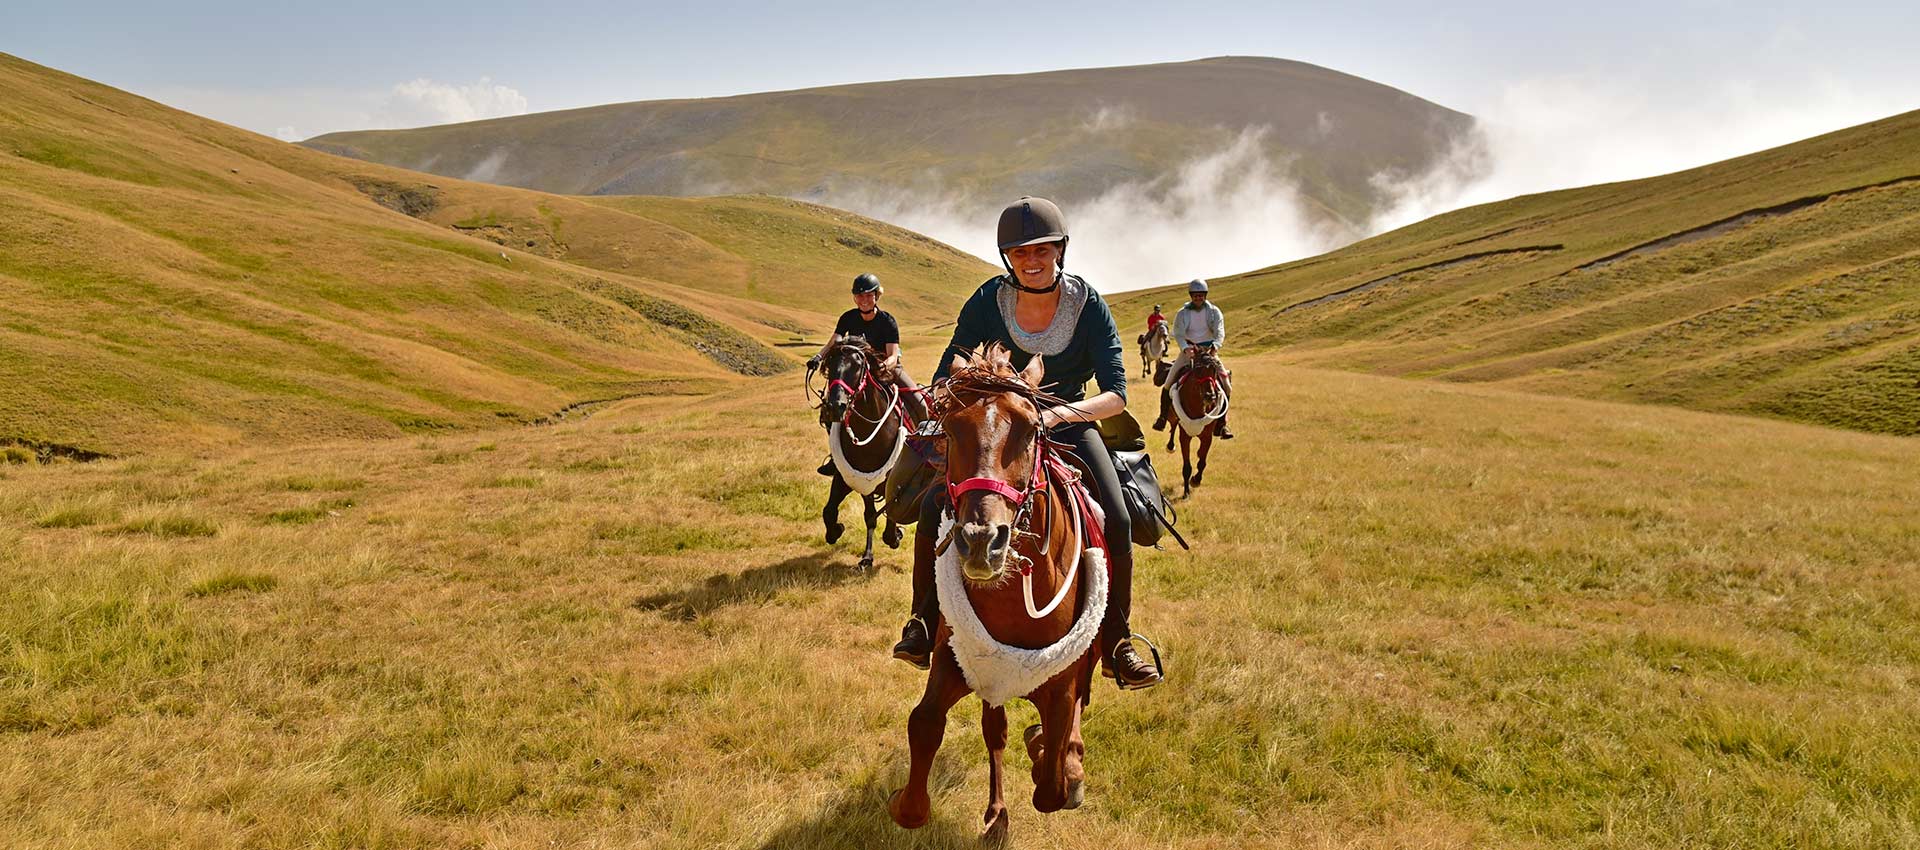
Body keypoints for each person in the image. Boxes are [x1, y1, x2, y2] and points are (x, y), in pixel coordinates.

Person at [891, 196, 1163, 690]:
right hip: (994, 426)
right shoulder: (986, 301)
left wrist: (1050, 416)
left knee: (1118, 515)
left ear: (1060, 249)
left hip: (1066, 419)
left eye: (1042, 249)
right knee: (933, 504)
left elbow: (1116, 395)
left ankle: (1118, 642)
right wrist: (967, 400)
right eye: (1020, 252)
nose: (1032, 261)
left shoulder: (1088, 305)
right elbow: (945, 372)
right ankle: (922, 623)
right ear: (1007, 258)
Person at [809, 273, 928, 475]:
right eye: (859, 295)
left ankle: (926, 450)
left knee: (920, 403)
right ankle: (836, 457)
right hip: (858, 371)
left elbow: (893, 355)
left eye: (868, 295)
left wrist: (883, 366)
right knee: (830, 408)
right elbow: (834, 342)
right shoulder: (848, 318)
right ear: (855, 298)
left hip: (886, 370)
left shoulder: (887, 321)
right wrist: (818, 357)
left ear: (876, 296)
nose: (864, 299)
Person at [1155, 279, 1233, 439]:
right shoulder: (1182, 313)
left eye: (1201, 295)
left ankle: (1222, 425)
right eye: (1195, 295)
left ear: (1205, 295)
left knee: (1227, 386)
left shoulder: (1214, 311)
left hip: (1209, 352)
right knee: (1168, 382)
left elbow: (1220, 331)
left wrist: (1215, 346)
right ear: (1191, 296)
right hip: (1188, 351)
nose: (1198, 298)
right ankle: (1162, 418)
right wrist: (1185, 348)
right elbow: (1178, 333)